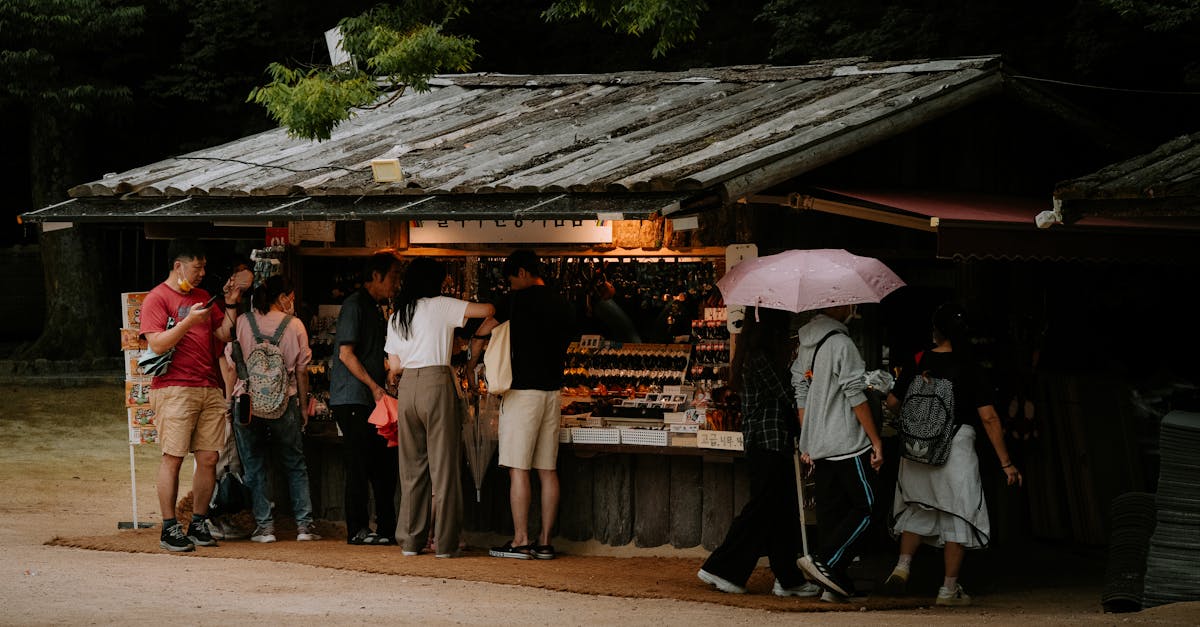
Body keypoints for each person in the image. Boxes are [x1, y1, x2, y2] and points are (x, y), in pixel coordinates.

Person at [882, 303, 1023, 606]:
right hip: (956, 446)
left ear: (936, 332)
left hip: (916, 449)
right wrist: (1006, 463)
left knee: (918, 507)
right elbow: (989, 418)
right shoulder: (970, 366)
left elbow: (893, 402)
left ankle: (902, 566)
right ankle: (948, 590)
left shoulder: (919, 359)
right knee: (957, 512)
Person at [696, 307, 821, 596]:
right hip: (768, 441)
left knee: (780, 510)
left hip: (765, 441)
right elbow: (787, 395)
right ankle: (722, 567)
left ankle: (788, 577)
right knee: (763, 509)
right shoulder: (761, 359)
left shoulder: (752, 357)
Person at [141, 238, 249, 552]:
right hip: (174, 388)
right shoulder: (157, 298)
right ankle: (169, 527)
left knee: (209, 457)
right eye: (197, 266)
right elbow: (157, 344)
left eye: (203, 266)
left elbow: (223, 335)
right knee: (173, 458)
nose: (202, 272)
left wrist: (230, 302)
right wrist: (189, 321)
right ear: (179, 265)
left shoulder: (203, 297)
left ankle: (199, 522)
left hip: (208, 385)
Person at [467, 250, 575, 560]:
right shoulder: (562, 303)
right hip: (552, 393)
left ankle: (521, 539)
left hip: (521, 393)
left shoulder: (515, 301)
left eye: (512, 278)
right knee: (547, 470)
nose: (511, 284)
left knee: (518, 469)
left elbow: (486, 327)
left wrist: (473, 355)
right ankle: (544, 541)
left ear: (524, 273)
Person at [385, 257, 494, 558]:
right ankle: (444, 544)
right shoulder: (442, 306)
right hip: (436, 382)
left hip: (407, 388)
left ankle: (411, 540)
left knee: (412, 469)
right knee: (443, 469)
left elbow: (394, 365)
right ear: (435, 282)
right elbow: (488, 310)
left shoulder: (398, 316)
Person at [790, 304, 884, 600]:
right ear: (839, 305)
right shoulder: (843, 344)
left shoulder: (804, 344)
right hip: (847, 443)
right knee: (869, 507)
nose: (853, 308)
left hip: (819, 445)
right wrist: (875, 440)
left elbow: (801, 392)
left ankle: (832, 583)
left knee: (831, 513)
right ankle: (826, 561)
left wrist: (808, 439)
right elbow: (855, 395)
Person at [231, 275, 320, 543]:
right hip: (285, 401)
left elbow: (232, 361)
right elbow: (302, 372)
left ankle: (265, 528)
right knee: (294, 463)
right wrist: (303, 407)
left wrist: (229, 399)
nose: (292, 303)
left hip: (246, 402)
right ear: (282, 298)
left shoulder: (242, 322)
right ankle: (304, 526)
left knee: (254, 465)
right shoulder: (295, 326)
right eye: (290, 297)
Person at [330, 252, 402, 545]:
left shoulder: (375, 308)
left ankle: (386, 527)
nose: (397, 283)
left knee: (383, 463)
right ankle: (357, 529)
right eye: (394, 276)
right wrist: (374, 386)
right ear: (376, 275)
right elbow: (346, 354)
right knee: (359, 464)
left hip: (371, 398)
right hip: (353, 398)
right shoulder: (355, 305)